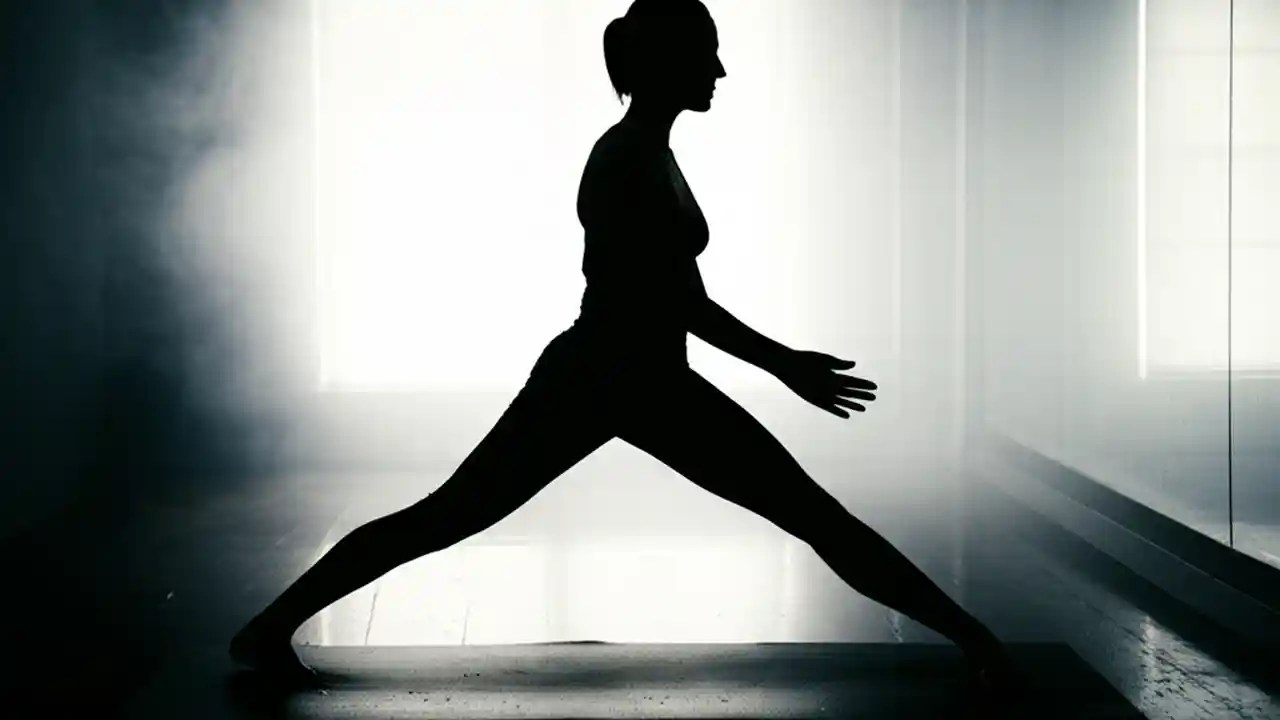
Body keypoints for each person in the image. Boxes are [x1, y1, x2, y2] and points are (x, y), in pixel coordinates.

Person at [230, 0, 1021, 694]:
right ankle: (976, 639)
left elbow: (686, 298)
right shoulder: (625, 159)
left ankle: (973, 638)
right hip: (606, 377)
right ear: (668, 61)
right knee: (448, 516)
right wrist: (786, 366)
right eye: (706, 51)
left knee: (814, 515)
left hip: (639, 378)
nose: (720, 69)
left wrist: (783, 365)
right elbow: (674, 301)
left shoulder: (654, 154)